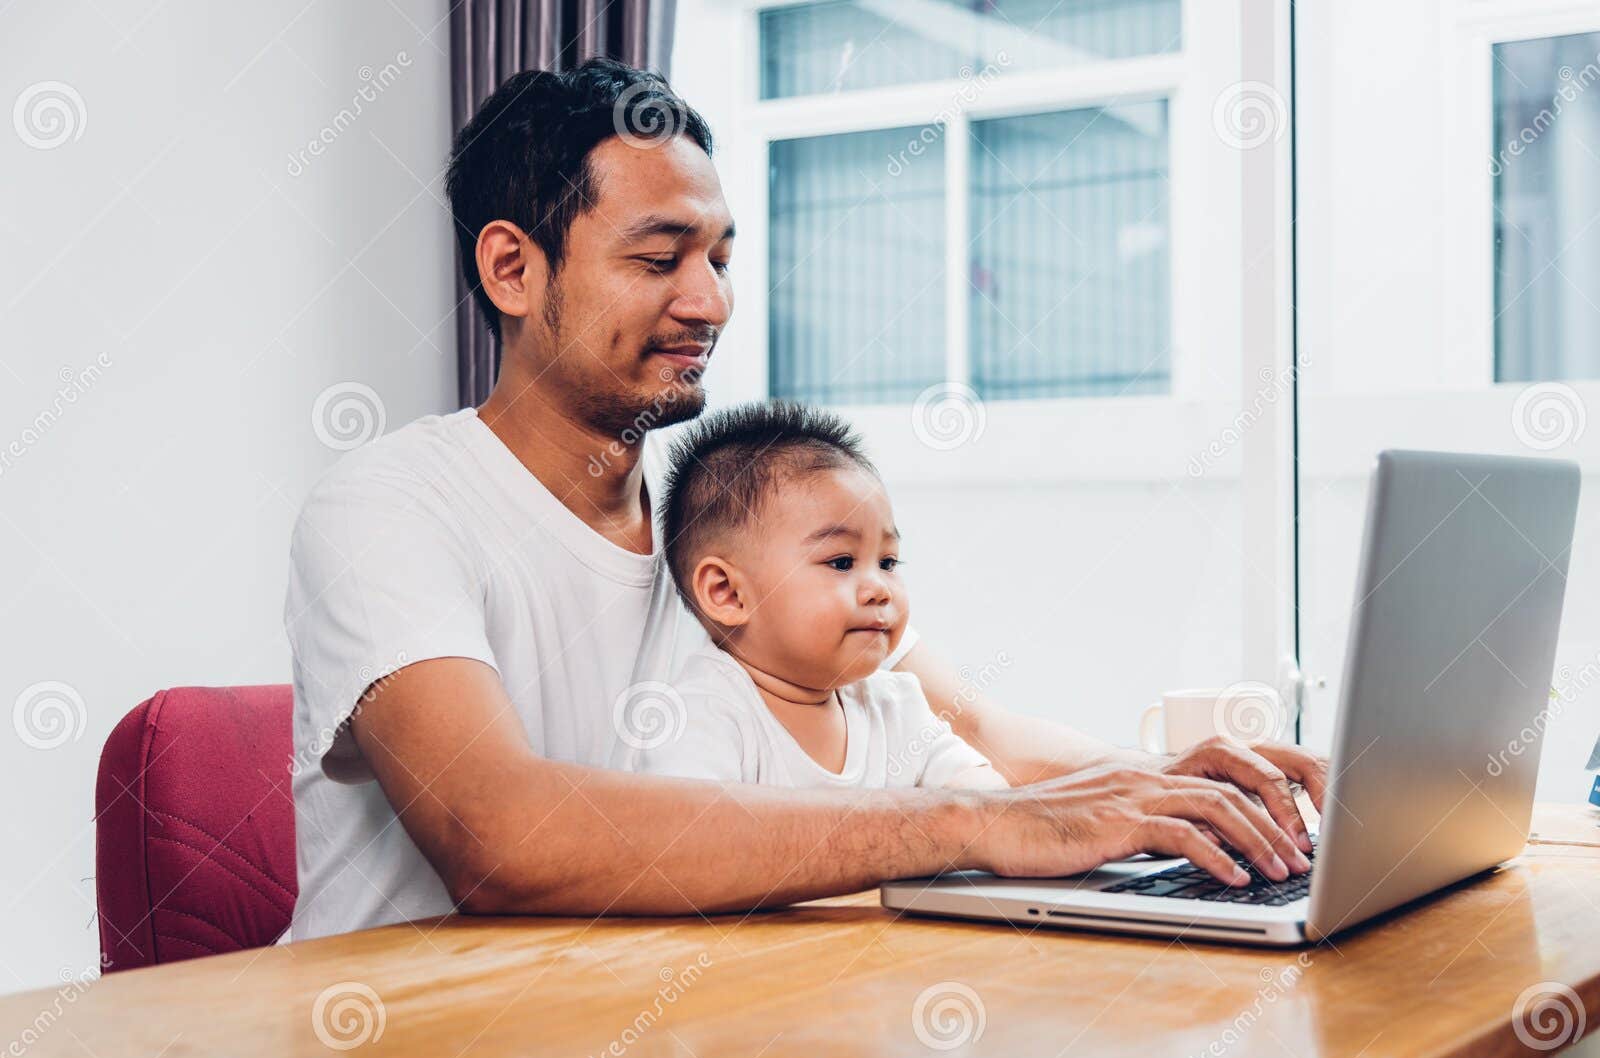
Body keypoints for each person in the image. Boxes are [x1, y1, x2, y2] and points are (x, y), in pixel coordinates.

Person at [283, 59, 1322, 941]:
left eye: (720, 259)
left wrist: (1178, 791)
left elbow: (966, 723)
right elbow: (494, 836)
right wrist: (967, 825)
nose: (710, 302)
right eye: (658, 259)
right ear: (513, 268)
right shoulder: (389, 507)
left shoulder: (722, 517)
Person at [641, 399, 1006, 791]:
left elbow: (978, 795)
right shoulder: (703, 717)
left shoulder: (895, 704)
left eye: (887, 562)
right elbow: (700, 838)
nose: (879, 589)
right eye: (842, 562)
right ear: (728, 593)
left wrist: (976, 800)